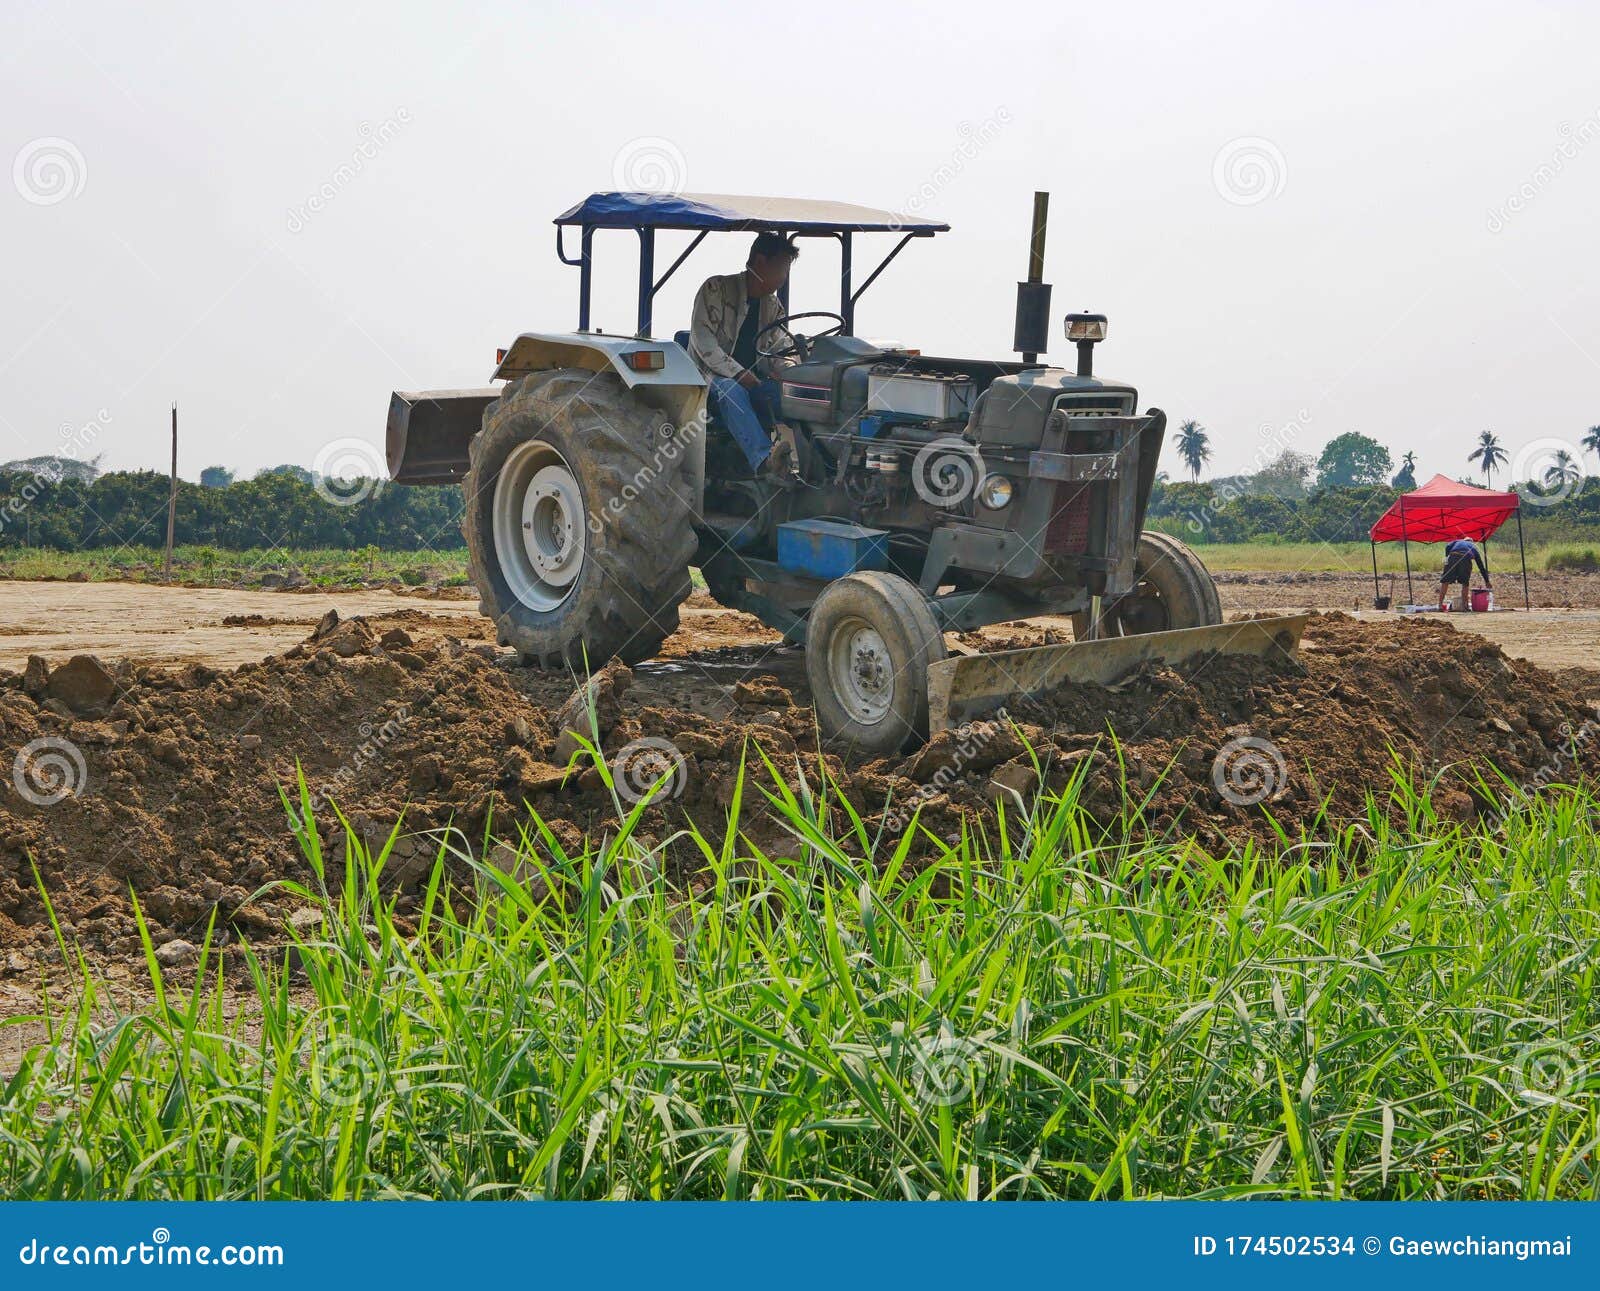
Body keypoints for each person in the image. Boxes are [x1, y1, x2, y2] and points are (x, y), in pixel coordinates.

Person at [688, 231, 801, 477]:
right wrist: (738, 373)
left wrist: (792, 375)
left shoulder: (772, 307)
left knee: (799, 399)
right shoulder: (715, 290)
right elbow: (703, 342)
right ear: (760, 262)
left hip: (755, 383)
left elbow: (779, 349)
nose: (784, 276)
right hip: (709, 382)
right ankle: (764, 462)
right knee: (731, 389)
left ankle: (820, 469)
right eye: (781, 268)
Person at [1438, 534, 1491, 610]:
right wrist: (1487, 581)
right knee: (1465, 583)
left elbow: (1448, 546)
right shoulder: (1473, 547)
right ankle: (1464, 606)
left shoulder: (1457, 541)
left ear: (1464, 540)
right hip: (1465, 559)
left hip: (1452, 556)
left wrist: (1447, 557)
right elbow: (1481, 567)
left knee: (1445, 581)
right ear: (1471, 542)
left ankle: (1440, 605)